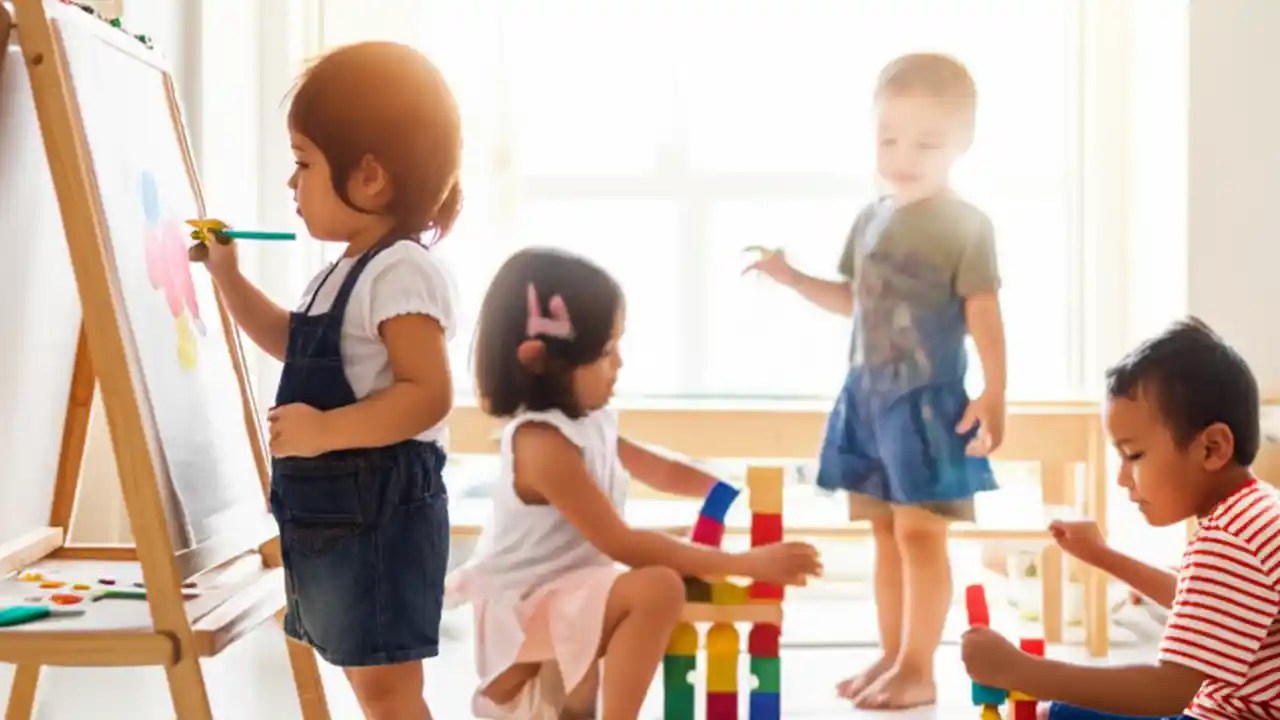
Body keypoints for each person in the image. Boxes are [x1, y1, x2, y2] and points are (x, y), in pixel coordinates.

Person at [195, 41, 462, 720]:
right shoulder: (341, 271)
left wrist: (324, 432)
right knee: (367, 683)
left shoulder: (401, 270)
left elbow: (426, 394)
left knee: (388, 690)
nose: (292, 184)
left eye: (303, 163)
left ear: (369, 177)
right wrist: (227, 277)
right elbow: (296, 342)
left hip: (378, 513)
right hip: (336, 515)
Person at [447, 247, 824, 719]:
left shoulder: (592, 420)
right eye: (606, 353)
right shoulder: (540, 443)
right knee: (658, 586)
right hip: (525, 619)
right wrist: (744, 563)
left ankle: (581, 701)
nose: (618, 364)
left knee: (656, 573)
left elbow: (659, 468)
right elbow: (621, 542)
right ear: (541, 361)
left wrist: (724, 487)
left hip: (571, 597)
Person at [746, 52, 1005, 709]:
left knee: (921, 533)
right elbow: (854, 300)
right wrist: (793, 277)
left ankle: (919, 666)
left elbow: (983, 312)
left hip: (927, 403)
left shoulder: (965, 224)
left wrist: (995, 392)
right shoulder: (870, 218)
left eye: (927, 142)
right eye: (889, 138)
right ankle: (892, 656)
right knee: (884, 535)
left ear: (963, 144)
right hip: (869, 396)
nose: (904, 154)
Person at [962, 318, 1280, 720]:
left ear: (1212, 448)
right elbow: (1198, 600)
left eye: (1134, 455)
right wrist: (1100, 555)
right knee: (1052, 712)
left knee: (1051, 713)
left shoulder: (1230, 539)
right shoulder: (1255, 511)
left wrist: (1023, 670)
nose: (1121, 477)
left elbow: (1167, 691)